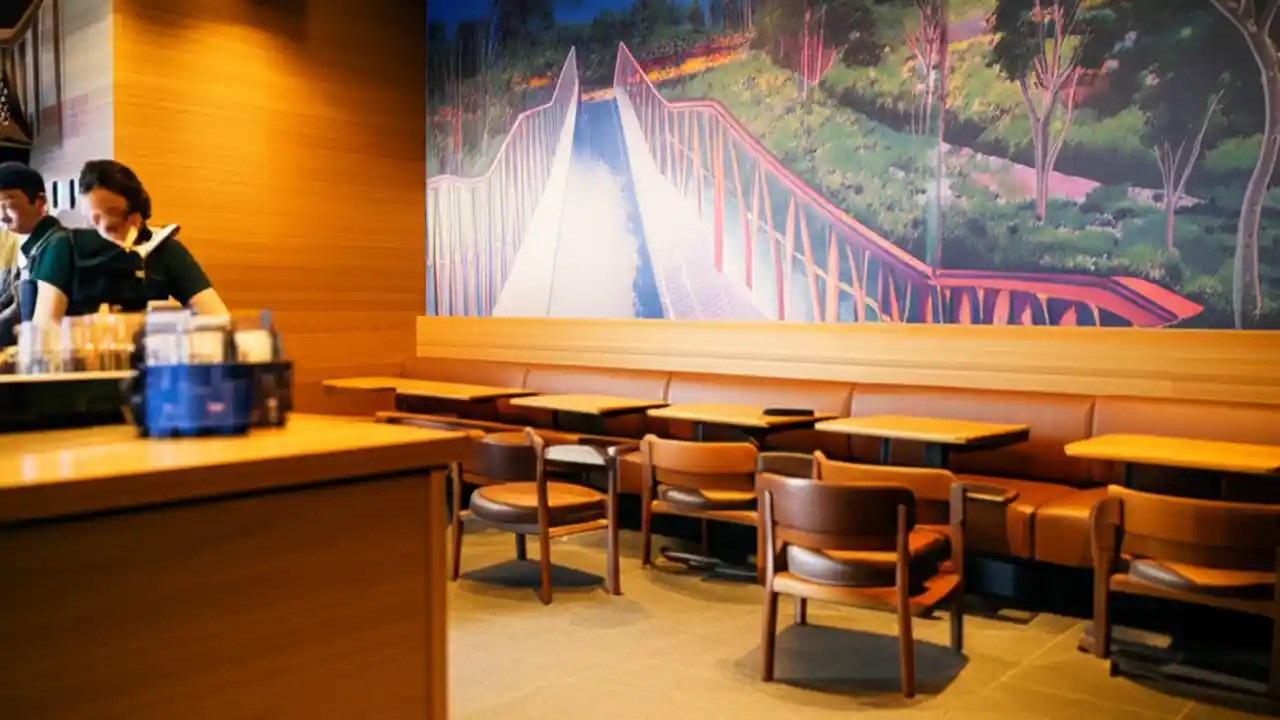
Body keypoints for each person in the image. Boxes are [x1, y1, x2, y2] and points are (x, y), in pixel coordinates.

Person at [29, 159, 228, 324]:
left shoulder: (164, 250)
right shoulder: (63, 248)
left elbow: (217, 317)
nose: (102, 231)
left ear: (137, 216)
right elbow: (44, 330)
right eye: (93, 222)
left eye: (113, 221)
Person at [0, 162, 71, 342]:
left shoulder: (56, 244)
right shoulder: (32, 245)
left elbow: (45, 327)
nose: (2, 215)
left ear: (40, 202)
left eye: (8, 204)